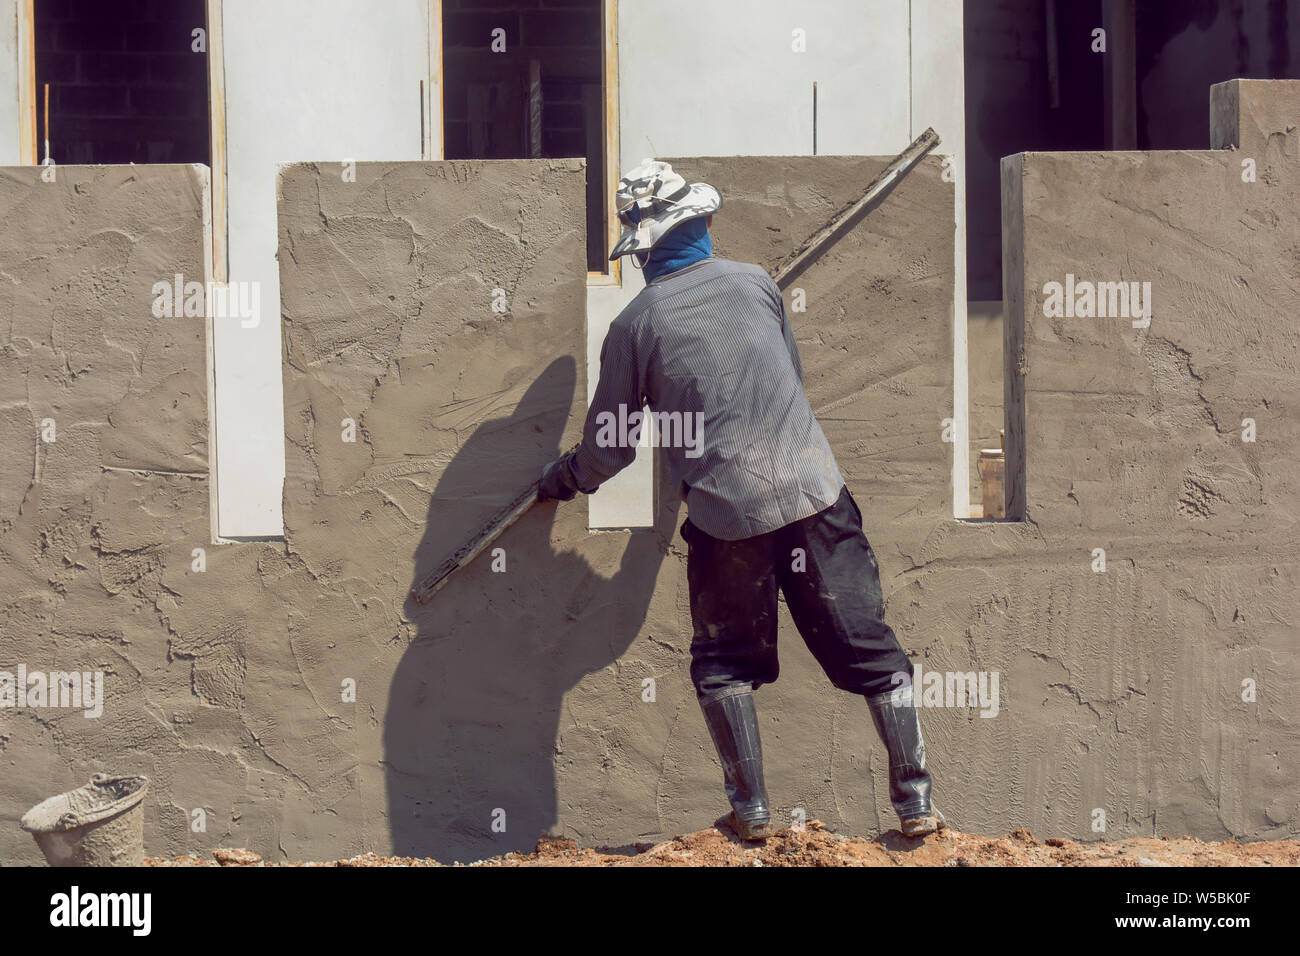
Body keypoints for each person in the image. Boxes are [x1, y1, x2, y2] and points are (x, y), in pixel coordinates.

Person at [537, 159, 944, 840]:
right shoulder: (757, 282)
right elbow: (791, 377)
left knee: (725, 665)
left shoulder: (635, 327)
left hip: (729, 519)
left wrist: (565, 477)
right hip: (817, 493)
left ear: (644, 247)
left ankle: (752, 813)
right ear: (699, 224)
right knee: (872, 651)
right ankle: (916, 803)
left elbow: (610, 448)